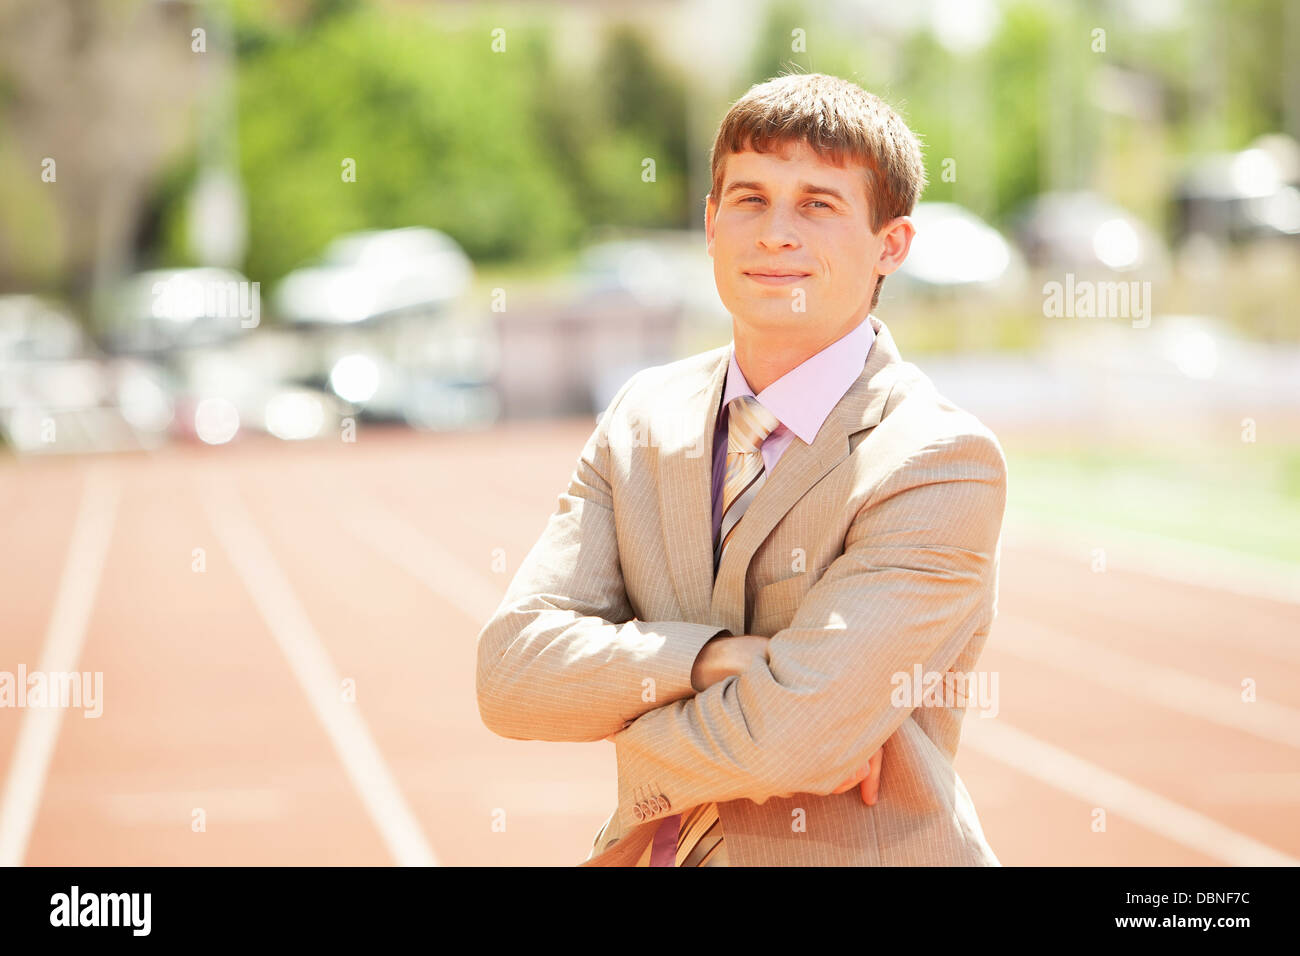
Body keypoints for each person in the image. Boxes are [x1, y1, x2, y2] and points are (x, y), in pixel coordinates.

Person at [476, 72, 1006, 866]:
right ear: (712, 222)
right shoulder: (642, 417)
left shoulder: (936, 461)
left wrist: (626, 730)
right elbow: (513, 672)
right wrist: (711, 657)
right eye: (750, 200)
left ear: (890, 244)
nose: (774, 233)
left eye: (818, 204)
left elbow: (796, 739)